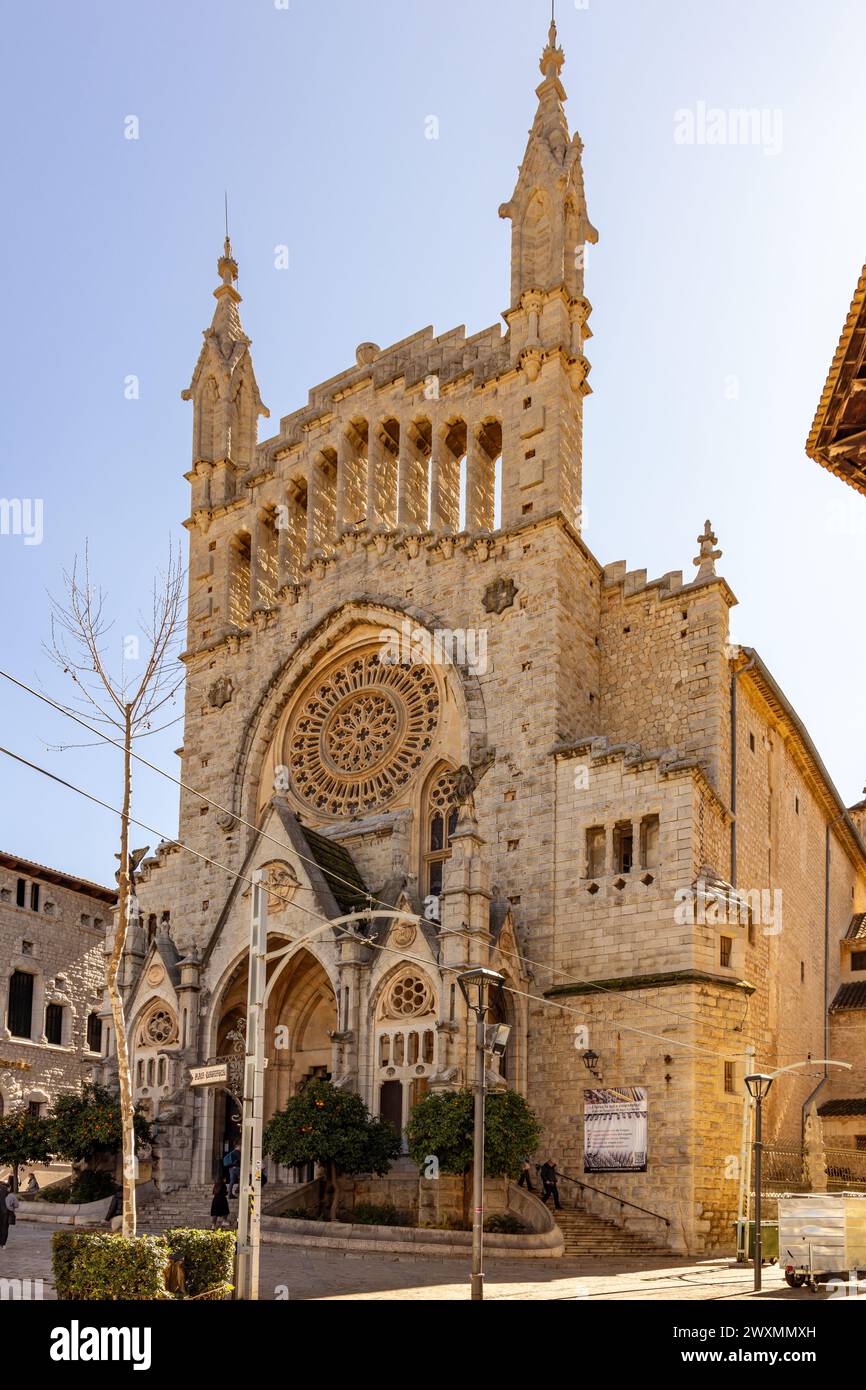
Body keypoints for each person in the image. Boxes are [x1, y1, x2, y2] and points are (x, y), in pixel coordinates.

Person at [0, 1182, 18, 1248]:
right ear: (8, 1188)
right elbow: (16, 1205)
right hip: (7, 1214)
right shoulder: (11, 1196)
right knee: (5, 1228)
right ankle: (3, 1244)